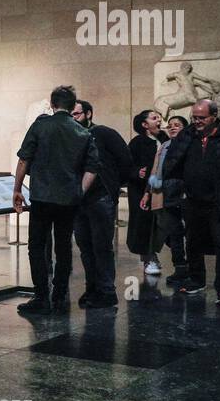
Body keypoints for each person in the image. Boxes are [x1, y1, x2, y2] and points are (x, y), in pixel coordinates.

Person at [13, 85, 100, 315]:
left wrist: (17, 189)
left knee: (37, 246)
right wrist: (79, 191)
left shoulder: (41, 125)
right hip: (68, 199)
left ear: (52, 104)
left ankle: (41, 296)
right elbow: (92, 169)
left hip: (41, 196)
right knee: (63, 247)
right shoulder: (83, 133)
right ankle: (59, 295)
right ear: (73, 107)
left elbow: (24, 159)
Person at [160, 99, 220, 306]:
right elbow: (172, 162)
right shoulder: (187, 135)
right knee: (193, 242)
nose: (196, 121)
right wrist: (175, 188)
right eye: (194, 117)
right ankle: (196, 279)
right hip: (192, 199)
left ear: (214, 117)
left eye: (201, 118)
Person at [70, 100, 132, 309]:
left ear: (88, 113)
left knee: (102, 246)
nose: (73, 118)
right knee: (85, 246)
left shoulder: (104, 133)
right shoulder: (70, 134)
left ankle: (106, 291)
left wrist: (112, 187)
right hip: (79, 199)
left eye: (76, 114)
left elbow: (125, 160)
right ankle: (92, 288)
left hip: (101, 197)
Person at [127, 109, 168, 275]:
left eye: (158, 117)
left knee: (162, 223)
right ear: (145, 124)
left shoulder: (165, 139)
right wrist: (137, 172)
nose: (158, 120)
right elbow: (127, 165)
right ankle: (148, 257)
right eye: (154, 118)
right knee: (144, 223)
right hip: (140, 189)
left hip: (161, 189)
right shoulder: (137, 142)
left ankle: (154, 254)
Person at [155, 115, 190, 284]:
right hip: (168, 193)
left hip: (186, 193)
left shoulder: (190, 145)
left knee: (190, 231)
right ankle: (180, 266)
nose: (173, 127)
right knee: (173, 231)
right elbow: (158, 170)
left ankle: (192, 266)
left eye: (177, 125)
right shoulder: (165, 146)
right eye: (170, 125)